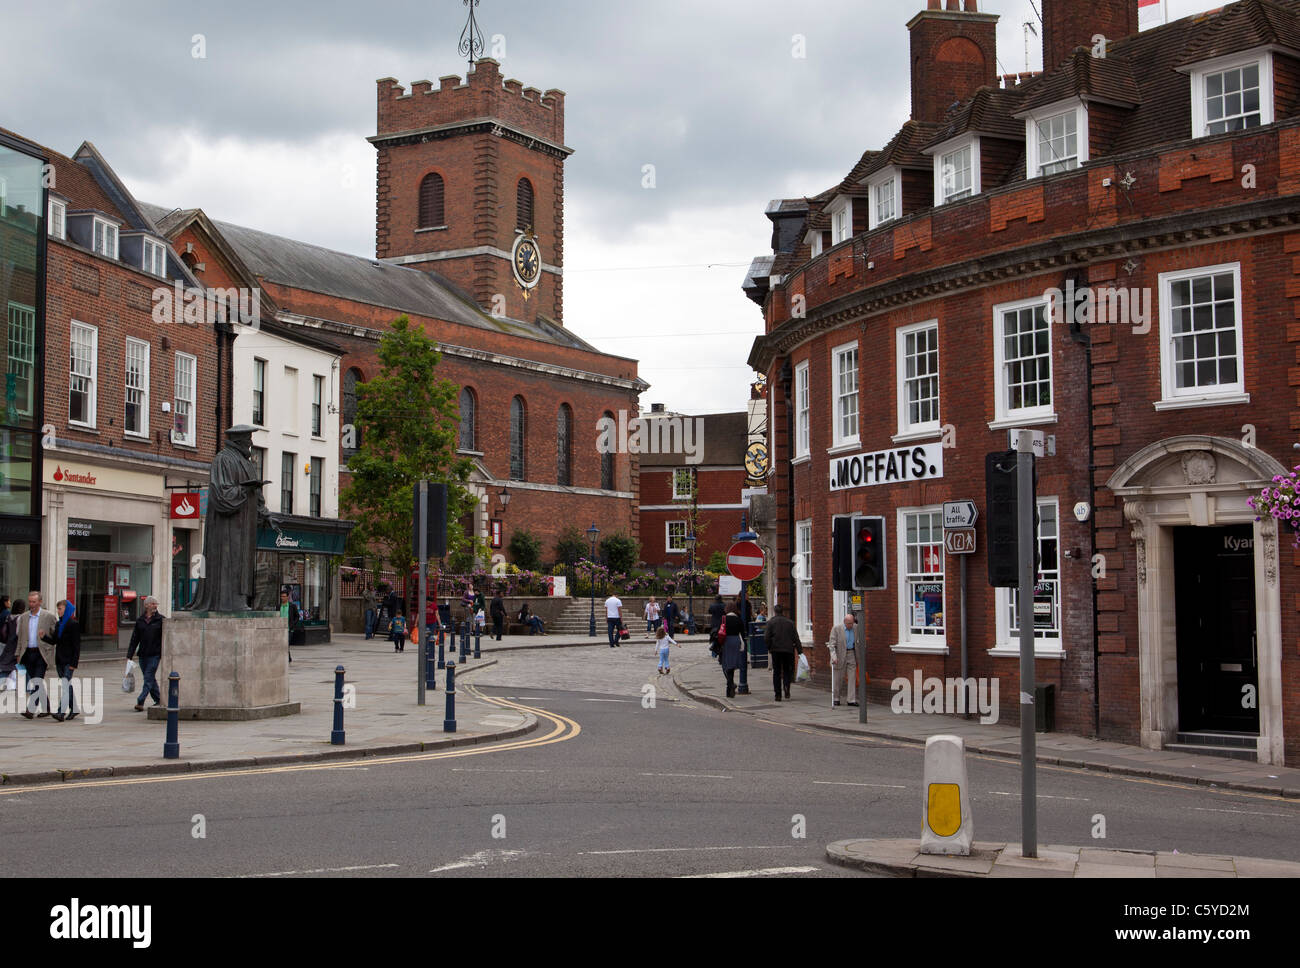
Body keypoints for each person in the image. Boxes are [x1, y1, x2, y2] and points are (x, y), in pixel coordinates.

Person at [15, 591, 57, 718]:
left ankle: (31, 709)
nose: (31, 604)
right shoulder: (24, 617)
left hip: (42, 654)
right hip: (28, 653)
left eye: (34, 602)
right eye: (30, 601)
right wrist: (18, 653)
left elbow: (55, 636)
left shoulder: (48, 616)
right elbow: (20, 637)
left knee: (37, 680)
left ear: (40, 602)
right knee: (35, 681)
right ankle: (46, 707)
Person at [44, 600, 80, 721]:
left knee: (65, 685)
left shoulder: (73, 624)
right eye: (58, 609)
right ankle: (74, 708)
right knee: (67, 685)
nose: (58, 611)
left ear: (66, 609)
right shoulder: (59, 624)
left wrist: (74, 663)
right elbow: (54, 641)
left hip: (69, 660)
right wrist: (43, 637)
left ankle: (60, 712)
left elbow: (76, 646)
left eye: (60, 609)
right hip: (59, 659)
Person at [127, 595, 164, 711]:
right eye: (153, 603)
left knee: (148, 677)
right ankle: (159, 699)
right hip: (143, 654)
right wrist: (130, 654)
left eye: (156, 604)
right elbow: (135, 638)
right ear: (146, 605)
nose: (155, 606)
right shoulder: (140, 621)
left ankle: (140, 701)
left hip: (155, 654)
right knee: (150, 678)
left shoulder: (161, 620)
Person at [765, 604, 802, 702]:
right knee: (787, 671)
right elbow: (796, 638)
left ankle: (777, 694)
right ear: (783, 612)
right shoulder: (790, 623)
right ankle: (786, 687)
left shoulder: (771, 623)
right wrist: (800, 651)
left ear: (775, 611)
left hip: (776, 650)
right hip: (788, 650)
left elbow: (766, 637)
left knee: (776, 672)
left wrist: (769, 647)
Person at [713, 601, 746, 698]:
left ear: (727, 609)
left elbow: (719, 632)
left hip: (726, 642)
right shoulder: (738, 619)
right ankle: (730, 687)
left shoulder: (724, 619)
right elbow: (743, 633)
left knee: (726, 665)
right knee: (732, 665)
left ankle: (730, 687)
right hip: (735, 641)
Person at [829, 612, 859, 707]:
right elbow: (832, 644)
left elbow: (859, 641)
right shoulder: (836, 629)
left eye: (852, 623)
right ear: (845, 622)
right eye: (849, 623)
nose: (851, 625)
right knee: (838, 678)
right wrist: (834, 656)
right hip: (839, 654)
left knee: (852, 677)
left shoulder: (856, 628)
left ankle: (851, 699)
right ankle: (836, 698)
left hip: (851, 653)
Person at [0, 595, 18, 692]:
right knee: (7, 665)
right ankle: (10, 684)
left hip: (3, 642)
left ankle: (11, 684)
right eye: (9, 601)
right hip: (7, 643)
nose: (9, 603)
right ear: (5, 602)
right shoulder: (7, 614)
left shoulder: (3, 613)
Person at [279, 589, 300, 662]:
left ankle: (286, 658)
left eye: (284, 596)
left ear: (287, 597)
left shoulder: (292, 606)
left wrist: (293, 624)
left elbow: (297, 616)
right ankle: (288, 658)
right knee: (283, 644)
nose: (283, 598)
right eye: (281, 596)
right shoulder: (278, 606)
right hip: (280, 629)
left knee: (286, 643)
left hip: (289, 629)